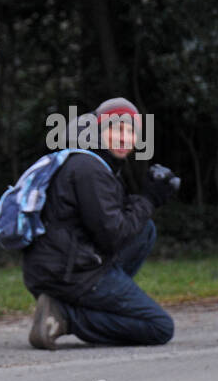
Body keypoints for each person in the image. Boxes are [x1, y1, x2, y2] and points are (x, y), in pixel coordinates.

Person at [24, 98, 177, 349]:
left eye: (131, 131)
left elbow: (118, 224)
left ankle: (81, 305)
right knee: (159, 327)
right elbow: (114, 235)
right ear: (97, 130)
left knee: (145, 231)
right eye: (116, 129)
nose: (124, 137)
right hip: (69, 274)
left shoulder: (89, 162)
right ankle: (64, 315)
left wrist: (148, 198)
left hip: (56, 265)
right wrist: (149, 199)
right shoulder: (89, 169)